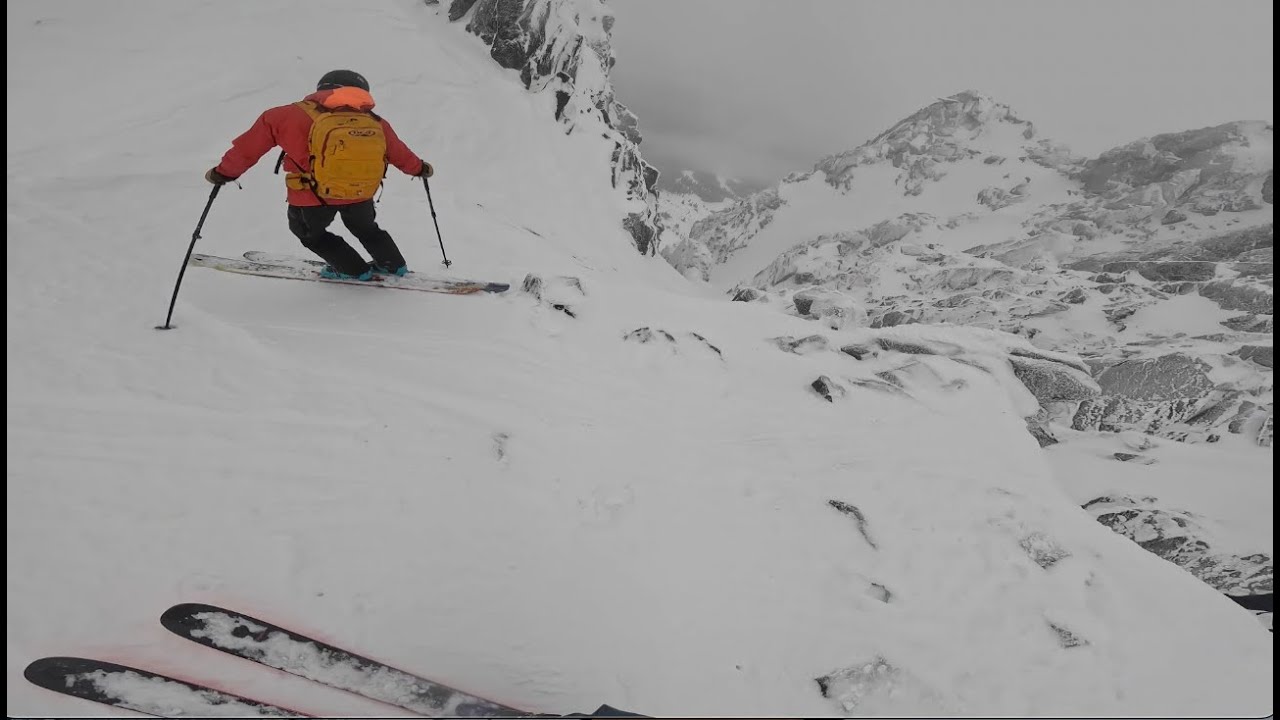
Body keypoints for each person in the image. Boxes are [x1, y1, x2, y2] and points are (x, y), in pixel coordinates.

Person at [205, 69, 434, 280]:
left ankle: (352, 269)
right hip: (360, 193)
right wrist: (419, 168)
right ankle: (393, 265)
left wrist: (223, 173)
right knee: (366, 229)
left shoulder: (283, 115)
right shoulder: (374, 121)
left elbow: (247, 149)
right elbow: (400, 153)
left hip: (312, 196)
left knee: (310, 234)